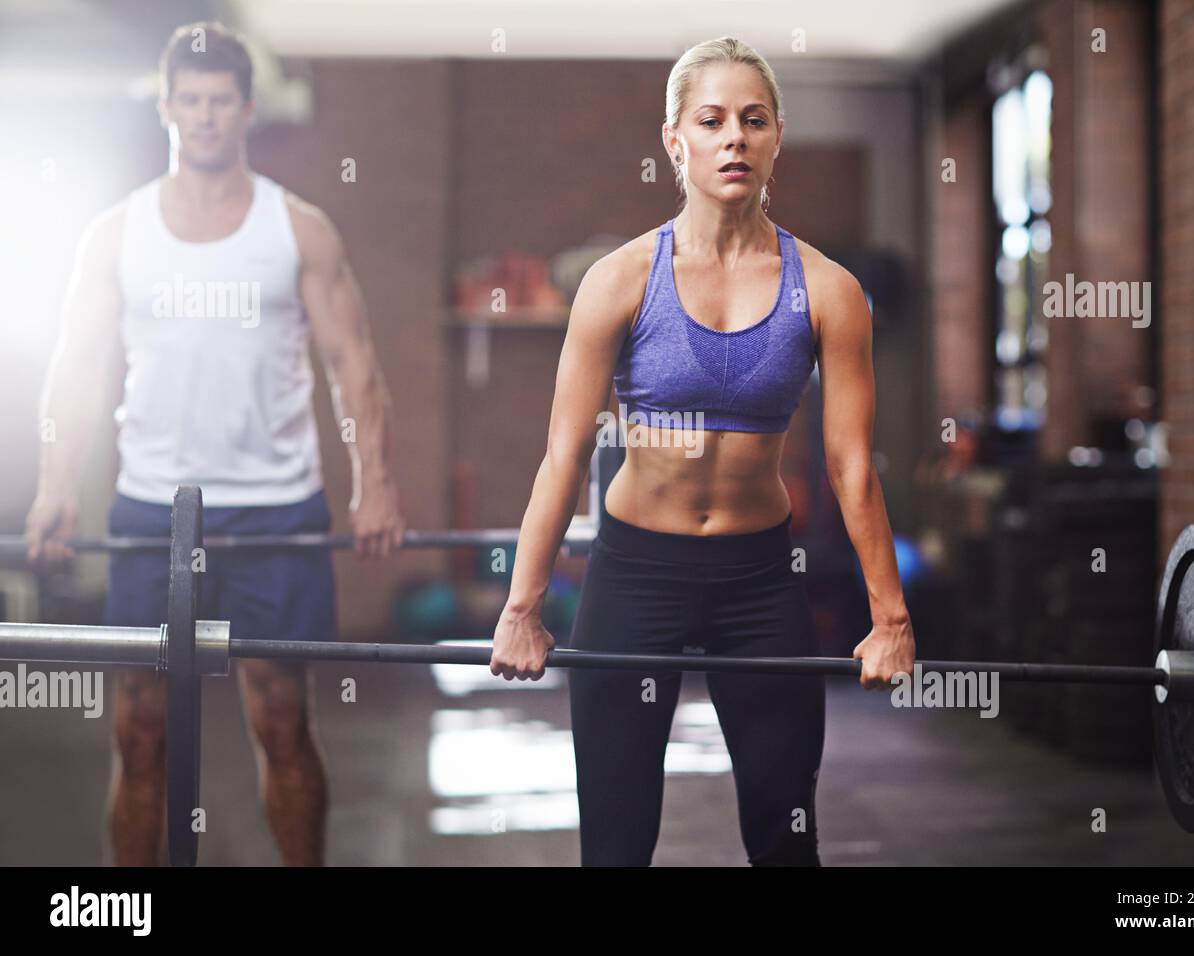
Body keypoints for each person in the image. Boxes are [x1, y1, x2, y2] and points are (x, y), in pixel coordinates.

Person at [489, 36, 915, 866]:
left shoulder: (827, 290)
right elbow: (563, 457)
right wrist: (522, 609)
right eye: (712, 120)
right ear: (675, 140)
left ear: (776, 139)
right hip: (635, 570)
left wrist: (890, 618)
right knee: (615, 844)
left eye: (754, 121)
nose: (735, 139)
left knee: (786, 831)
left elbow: (852, 466)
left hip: (760, 580)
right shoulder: (618, 281)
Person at [23, 21, 404, 865]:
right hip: (153, 510)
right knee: (141, 727)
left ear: (246, 110)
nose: (203, 117)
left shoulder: (298, 227)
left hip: (275, 510)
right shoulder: (117, 234)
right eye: (188, 101)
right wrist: (54, 486)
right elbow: (76, 369)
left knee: (281, 717)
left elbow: (354, 365)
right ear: (166, 107)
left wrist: (374, 481)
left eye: (219, 101)